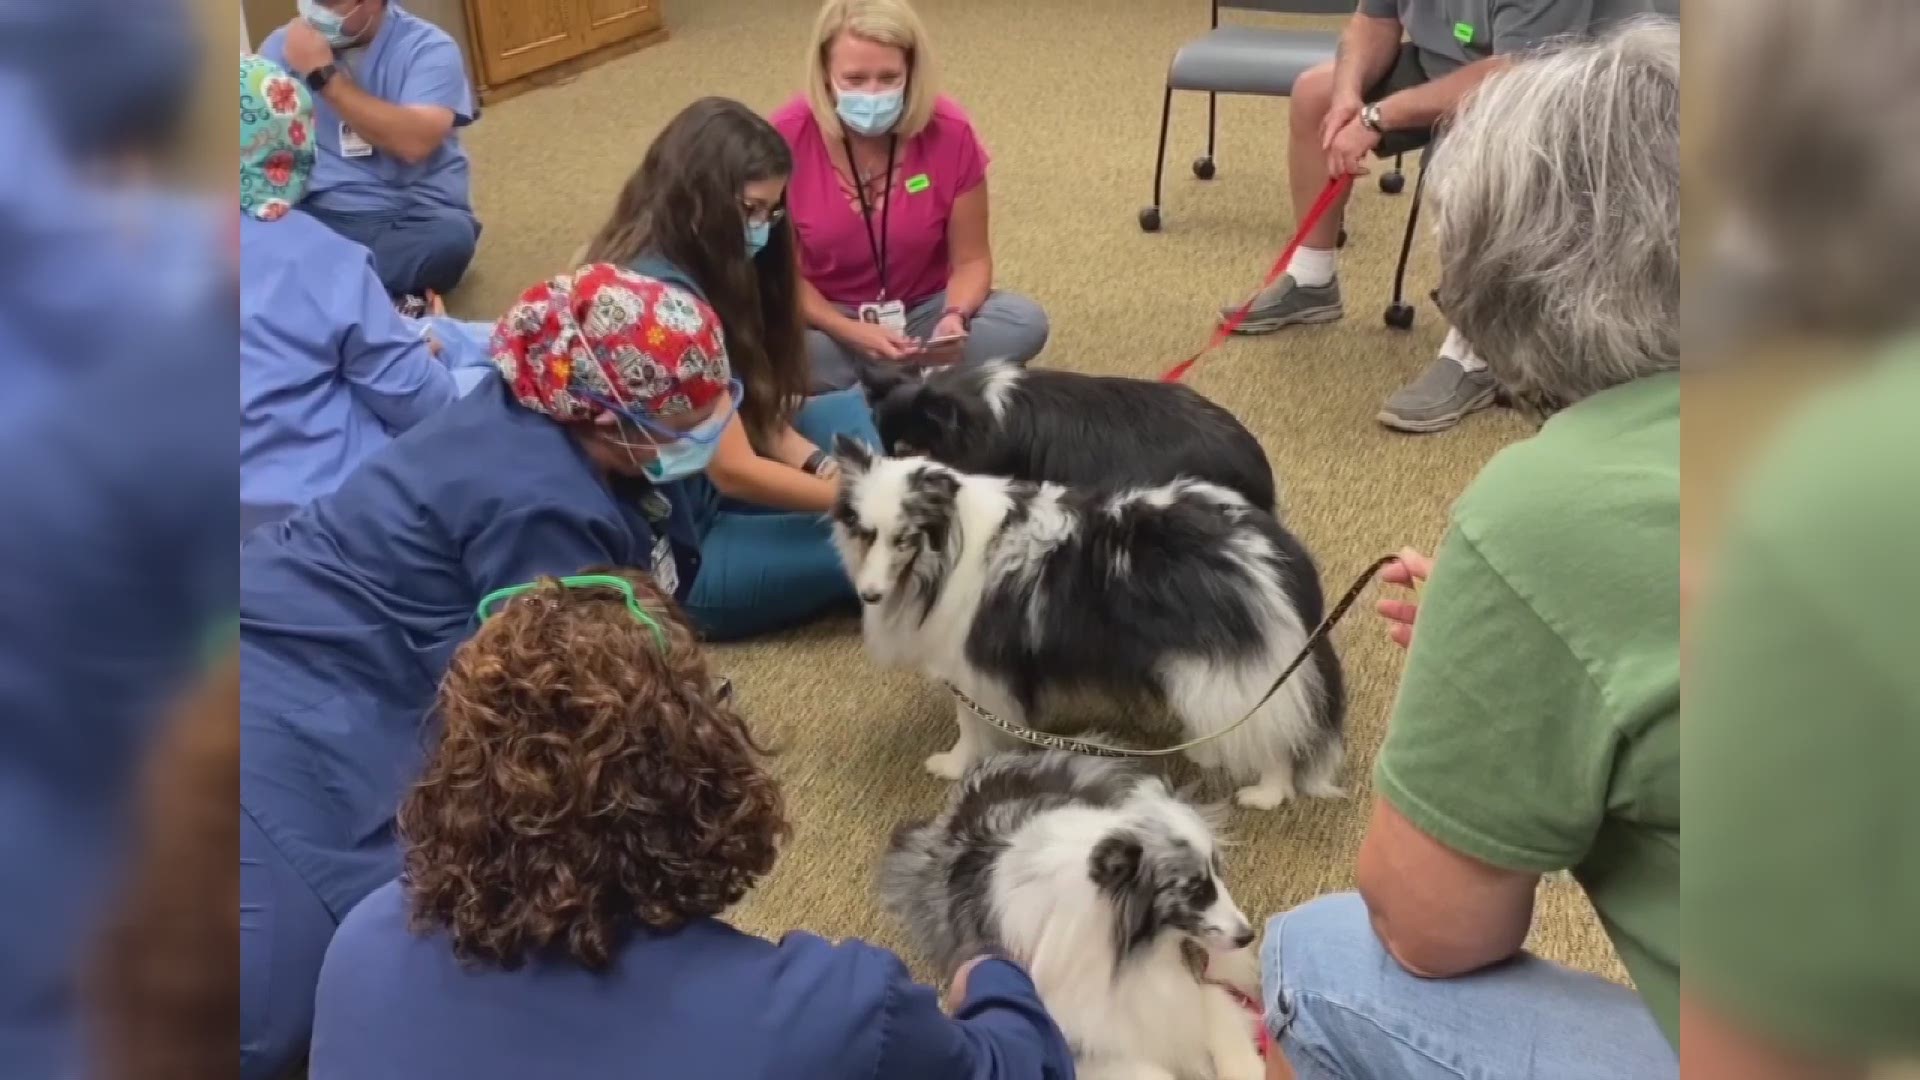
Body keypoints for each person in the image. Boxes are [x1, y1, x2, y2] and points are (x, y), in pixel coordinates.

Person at [1259, 22, 1680, 1079]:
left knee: (1317, 959)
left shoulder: (1551, 510)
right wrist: (1545, 637)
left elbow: (1432, 931)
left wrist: (1502, 651)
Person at [239, 266, 741, 1080]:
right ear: (610, 417)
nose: (716, 422)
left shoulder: (530, 407)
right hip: (300, 687)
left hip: (279, 626)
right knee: (273, 1005)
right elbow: (576, 718)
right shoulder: (544, 508)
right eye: (690, 412)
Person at [309, 572, 1074, 1080]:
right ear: (699, 765)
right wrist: (996, 977)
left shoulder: (364, 940)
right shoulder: (834, 1011)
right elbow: (1019, 1069)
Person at [1220, 0, 1669, 434]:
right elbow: (1373, 22)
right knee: (1314, 93)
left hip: (1583, 85)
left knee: (1468, 155)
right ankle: (1312, 279)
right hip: (1460, 64)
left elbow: (1514, 72)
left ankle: (1479, 351)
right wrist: (1346, 98)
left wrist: (1379, 116)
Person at [580, 96, 880, 635]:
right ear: (696, 196)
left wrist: (822, 468)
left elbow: (750, 406)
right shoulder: (659, 299)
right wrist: (866, 500)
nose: (762, 228)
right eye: (749, 210)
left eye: (771, 211)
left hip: (709, 480)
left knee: (855, 415)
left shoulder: (695, 255)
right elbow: (734, 469)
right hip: (685, 545)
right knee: (890, 547)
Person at [240, 54, 492, 537]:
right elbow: (423, 405)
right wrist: (421, 363)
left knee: (442, 333)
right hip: (335, 514)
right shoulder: (315, 257)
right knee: (492, 383)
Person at [775, 0, 1049, 392]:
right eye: (854, 79)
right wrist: (849, 330)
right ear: (823, 75)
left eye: (889, 78)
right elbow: (779, 274)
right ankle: (920, 383)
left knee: (1024, 322)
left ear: (912, 72)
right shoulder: (785, 137)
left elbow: (971, 259)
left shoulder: (951, 131)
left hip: (925, 310)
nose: (873, 93)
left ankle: (883, 384)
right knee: (764, 349)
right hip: (829, 316)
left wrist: (954, 316)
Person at [261, 0, 481, 301]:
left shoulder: (430, 48)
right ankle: (352, 288)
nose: (315, 11)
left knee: (449, 242)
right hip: (319, 209)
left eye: (330, 3)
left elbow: (413, 143)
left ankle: (313, 286)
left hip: (405, 214)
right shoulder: (281, 48)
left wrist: (323, 77)